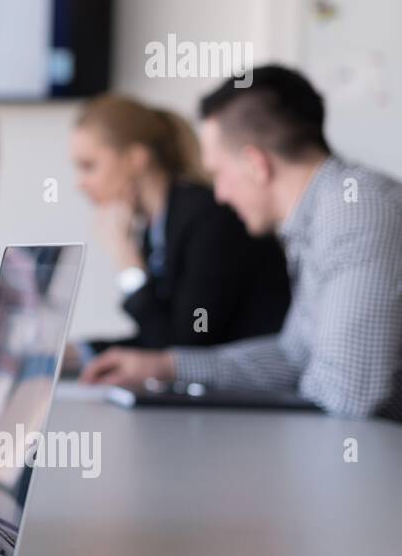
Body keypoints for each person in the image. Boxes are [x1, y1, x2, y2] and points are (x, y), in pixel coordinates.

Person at [82, 66, 402, 421]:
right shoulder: (316, 219)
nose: (219, 194)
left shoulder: (354, 210)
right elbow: (294, 356)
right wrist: (166, 366)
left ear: (255, 163)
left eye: (218, 172)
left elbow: (347, 395)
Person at [69, 94, 289, 355]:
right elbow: (158, 336)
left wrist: (127, 261)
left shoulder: (210, 218)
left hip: (247, 389)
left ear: (135, 159)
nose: (80, 183)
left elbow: (183, 347)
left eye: (89, 166)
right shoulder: (159, 226)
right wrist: (80, 352)